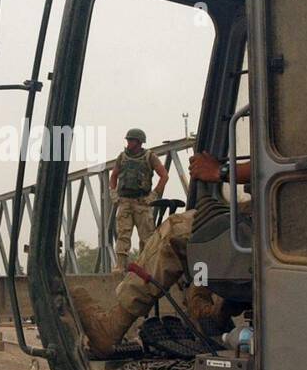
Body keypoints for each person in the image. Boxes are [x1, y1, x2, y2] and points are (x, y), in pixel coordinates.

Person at [72, 151, 252, 355]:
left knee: (177, 230)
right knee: (203, 233)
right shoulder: (123, 157)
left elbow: (286, 158)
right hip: (280, 218)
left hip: (276, 220)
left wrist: (221, 170)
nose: (133, 144)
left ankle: (112, 326)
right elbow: (115, 176)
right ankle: (206, 310)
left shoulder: (147, 157)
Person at [110, 128, 168, 272]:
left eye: (131, 140)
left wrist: (153, 196)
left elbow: (164, 176)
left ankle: (146, 266)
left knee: (147, 237)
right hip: (125, 202)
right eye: (128, 140)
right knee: (123, 234)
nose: (128, 142)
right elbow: (114, 176)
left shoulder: (150, 157)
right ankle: (120, 265)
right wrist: (113, 193)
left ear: (139, 142)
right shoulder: (122, 157)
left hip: (142, 202)